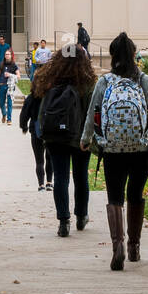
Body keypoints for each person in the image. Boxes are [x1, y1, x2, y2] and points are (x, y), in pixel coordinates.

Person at [81, 32, 148, 270]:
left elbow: (92, 115)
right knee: (135, 195)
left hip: (112, 151)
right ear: (134, 55)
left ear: (113, 56)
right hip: (141, 150)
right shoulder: (145, 81)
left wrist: (85, 139)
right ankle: (134, 247)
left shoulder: (104, 83)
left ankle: (118, 246)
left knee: (115, 197)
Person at [28, 46, 97, 237]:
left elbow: (41, 105)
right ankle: (81, 216)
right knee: (81, 176)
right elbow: (92, 111)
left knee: (60, 177)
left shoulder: (48, 80)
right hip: (80, 137)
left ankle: (63, 221)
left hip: (55, 137)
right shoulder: (88, 82)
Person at [18, 80, 53, 192]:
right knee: (49, 157)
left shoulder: (31, 98)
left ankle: (41, 184)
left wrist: (24, 126)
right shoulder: (50, 96)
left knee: (39, 160)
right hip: (49, 130)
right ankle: (49, 182)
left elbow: (24, 114)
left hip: (35, 129)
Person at [0, 52, 20, 124]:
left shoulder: (14, 65)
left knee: (9, 103)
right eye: (6, 54)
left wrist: (10, 75)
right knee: (1, 103)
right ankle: (4, 114)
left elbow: (18, 76)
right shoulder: (2, 64)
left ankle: (9, 119)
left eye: (8, 54)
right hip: (2, 84)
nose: (7, 55)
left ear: (11, 56)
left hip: (10, 86)